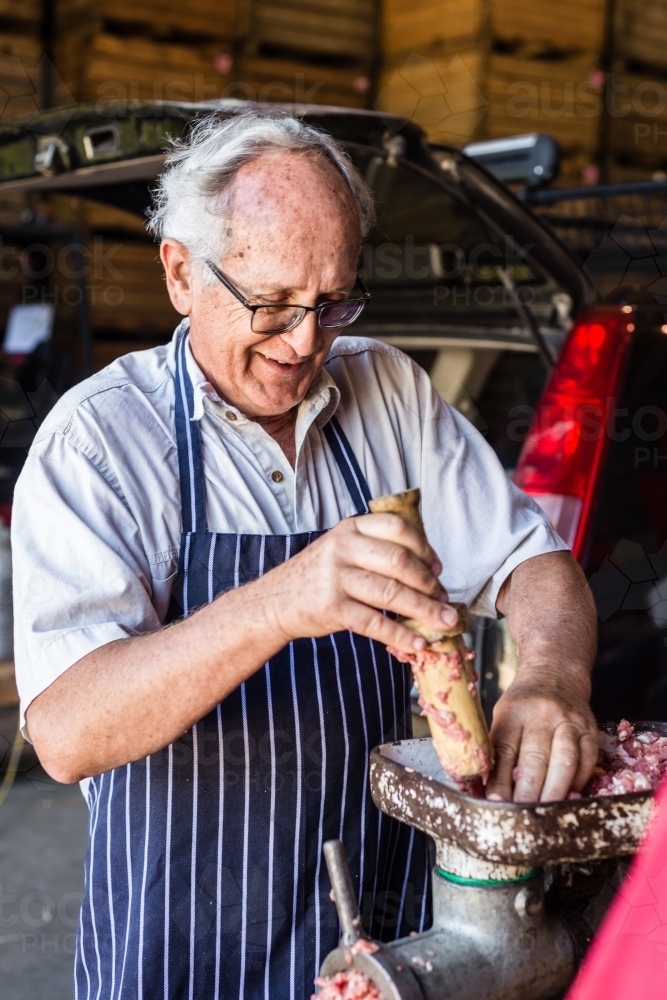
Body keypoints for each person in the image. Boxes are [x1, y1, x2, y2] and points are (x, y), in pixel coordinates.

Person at [12, 112, 598, 1000]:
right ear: (179, 273)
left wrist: (551, 674)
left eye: (331, 304)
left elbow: (534, 563)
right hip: (185, 940)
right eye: (271, 304)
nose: (301, 343)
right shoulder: (100, 442)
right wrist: (278, 603)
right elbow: (65, 732)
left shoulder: (387, 391)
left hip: (376, 920)